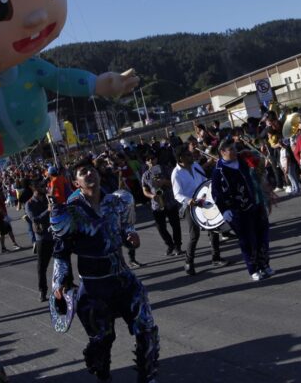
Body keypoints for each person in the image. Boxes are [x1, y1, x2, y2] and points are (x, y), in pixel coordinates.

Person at [51, 162, 159, 382]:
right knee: (102, 339)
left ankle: (147, 377)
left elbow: (126, 232)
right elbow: (61, 253)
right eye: (83, 173)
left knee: (146, 327)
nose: (89, 173)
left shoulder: (117, 202)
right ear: (76, 183)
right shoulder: (70, 213)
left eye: (92, 169)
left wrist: (132, 241)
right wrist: (59, 282)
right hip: (93, 286)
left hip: (123, 279)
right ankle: (103, 375)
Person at [210, 141, 272, 281]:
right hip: (238, 211)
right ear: (223, 152)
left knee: (263, 237)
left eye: (234, 148)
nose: (235, 151)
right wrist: (224, 210)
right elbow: (216, 193)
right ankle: (253, 269)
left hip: (255, 205)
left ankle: (264, 264)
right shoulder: (218, 171)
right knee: (248, 241)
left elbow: (256, 174)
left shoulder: (242, 162)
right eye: (231, 149)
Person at [171, 146, 226, 276]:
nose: (191, 156)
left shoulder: (196, 166)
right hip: (190, 206)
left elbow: (204, 181)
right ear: (181, 158)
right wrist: (190, 201)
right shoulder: (176, 173)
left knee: (213, 228)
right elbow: (177, 194)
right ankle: (188, 263)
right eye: (188, 155)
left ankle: (216, 258)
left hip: (203, 201)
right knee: (194, 235)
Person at [140, 154, 183, 257]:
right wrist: (151, 196)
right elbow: (145, 190)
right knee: (160, 227)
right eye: (148, 159)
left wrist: (164, 181)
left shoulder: (165, 169)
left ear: (156, 158)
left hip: (169, 201)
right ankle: (170, 245)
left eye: (153, 158)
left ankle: (178, 246)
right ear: (146, 162)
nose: (151, 160)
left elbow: (175, 182)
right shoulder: (145, 175)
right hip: (157, 204)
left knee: (175, 225)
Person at [24, 181, 54, 302]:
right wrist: (47, 210)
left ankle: (67, 284)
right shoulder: (29, 204)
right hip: (42, 238)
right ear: (35, 189)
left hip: (54, 234)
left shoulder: (47, 199)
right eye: (41, 186)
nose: (44, 188)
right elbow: (34, 219)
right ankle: (43, 291)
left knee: (63, 261)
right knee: (42, 267)